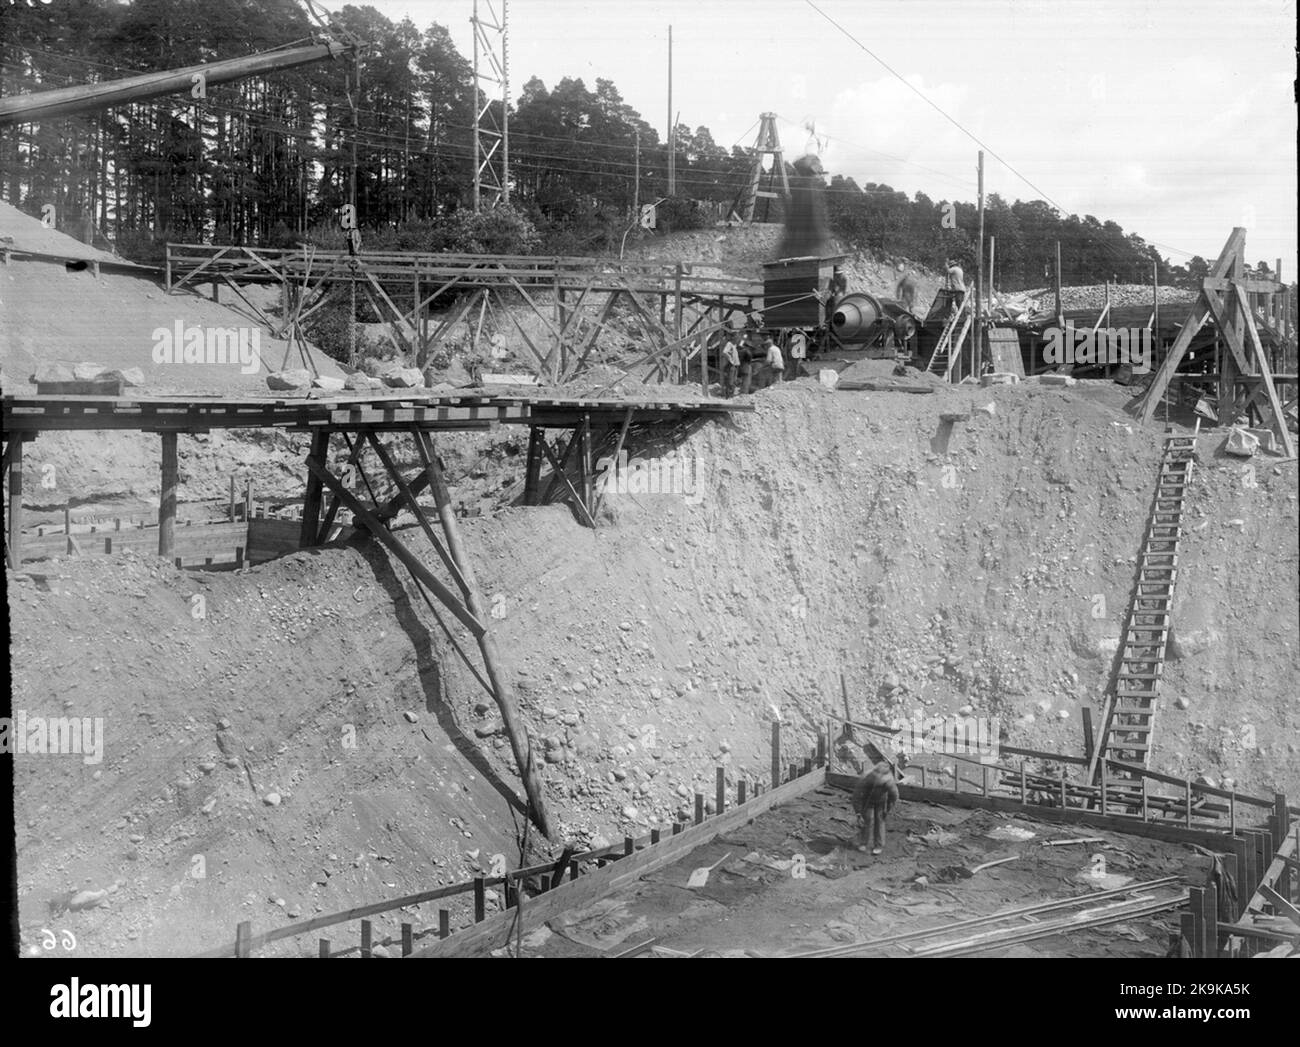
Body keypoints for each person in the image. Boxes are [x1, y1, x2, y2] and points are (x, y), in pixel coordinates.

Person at [851, 752, 908, 856]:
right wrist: (858, 813)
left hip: (881, 802)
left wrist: (888, 809)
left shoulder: (889, 782)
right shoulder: (865, 779)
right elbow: (856, 797)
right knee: (867, 820)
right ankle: (863, 842)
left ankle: (878, 845)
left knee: (880, 820)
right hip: (867, 801)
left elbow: (894, 797)